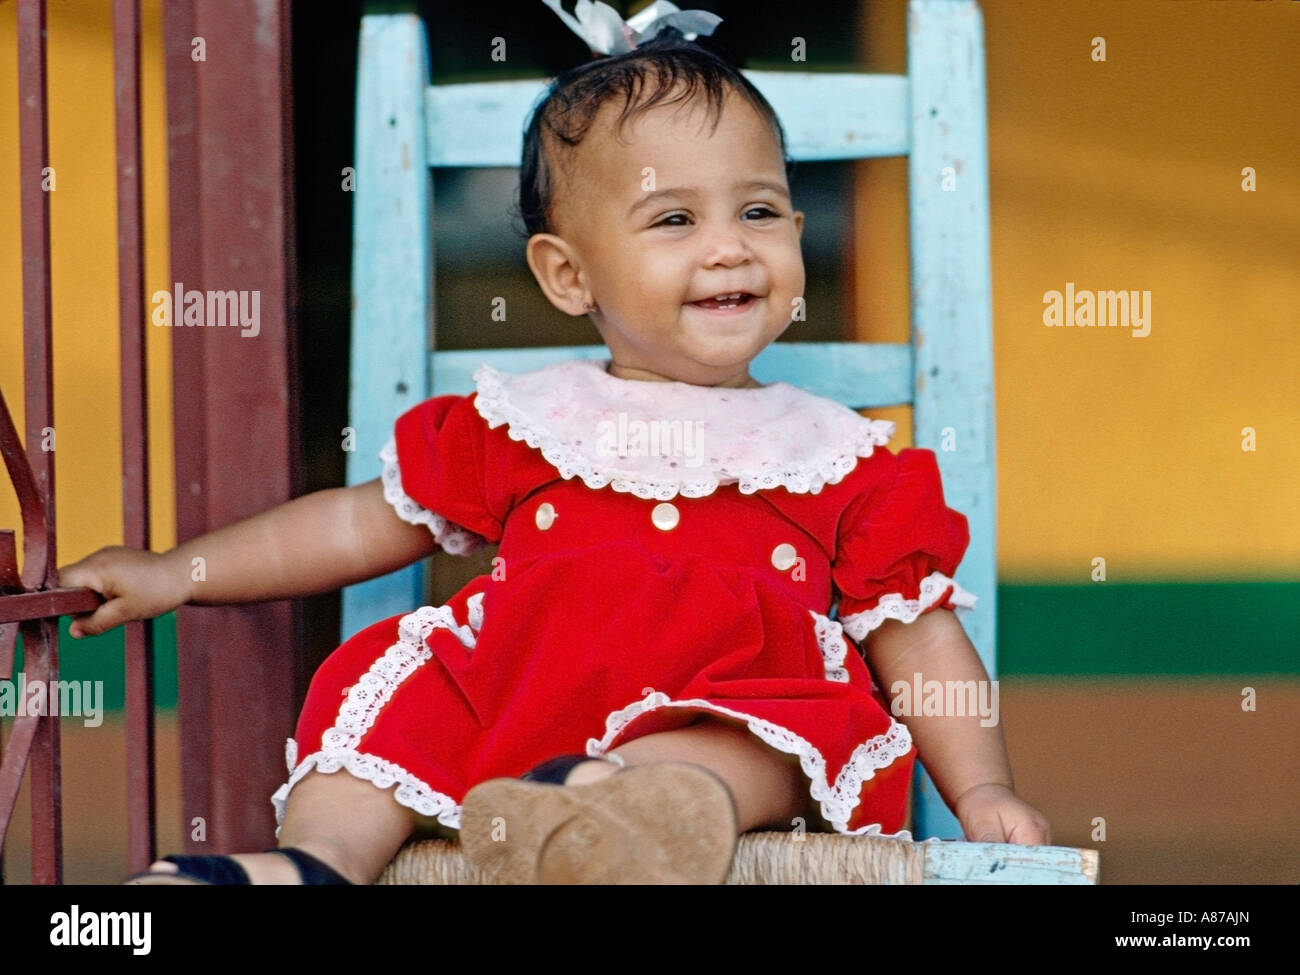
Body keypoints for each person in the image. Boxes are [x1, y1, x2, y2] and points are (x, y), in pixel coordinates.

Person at [61, 9, 1050, 885]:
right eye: (674, 219)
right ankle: (313, 863)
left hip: (711, 724)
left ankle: (619, 812)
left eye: (757, 212)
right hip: (512, 705)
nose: (728, 247)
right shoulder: (522, 422)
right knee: (381, 721)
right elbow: (359, 522)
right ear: (568, 274)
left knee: (787, 734)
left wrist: (984, 791)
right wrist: (178, 571)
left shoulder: (841, 458)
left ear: (794, 229)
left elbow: (918, 639)